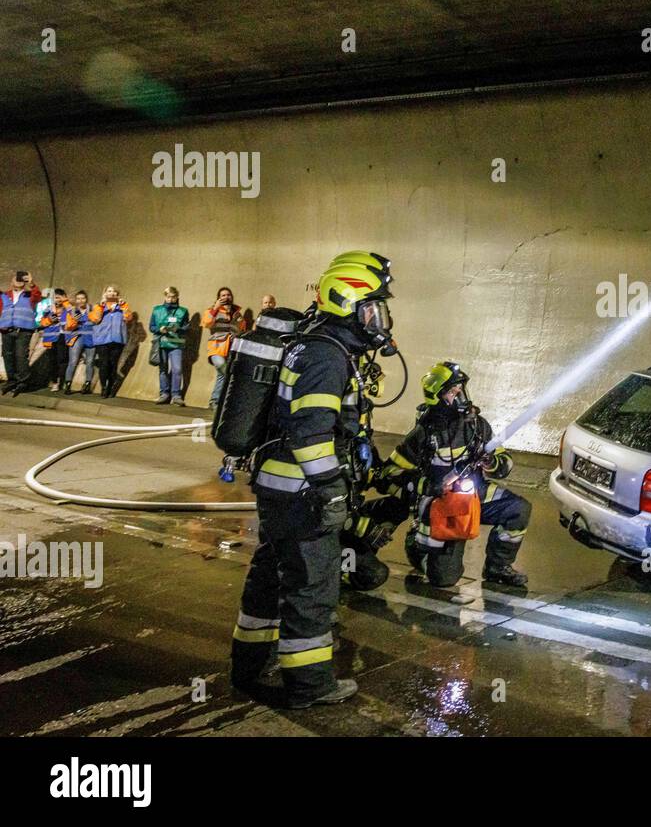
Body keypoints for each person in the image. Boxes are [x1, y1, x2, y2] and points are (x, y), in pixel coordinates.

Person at [230, 255, 395, 708]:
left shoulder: (314, 344)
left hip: (281, 490)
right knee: (311, 586)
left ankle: (247, 665)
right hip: (302, 493)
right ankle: (310, 686)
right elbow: (310, 433)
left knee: (269, 576)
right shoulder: (326, 355)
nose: (379, 319)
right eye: (373, 308)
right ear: (348, 301)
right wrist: (331, 490)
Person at [376, 361, 530, 588]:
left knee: (518, 509)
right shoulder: (423, 434)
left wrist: (490, 462)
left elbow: (505, 464)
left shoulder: (478, 426)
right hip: (443, 506)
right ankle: (418, 549)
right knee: (445, 579)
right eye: (452, 391)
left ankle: (498, 567)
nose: (459, 396)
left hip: (476, 495)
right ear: (437, 397)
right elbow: (387, 475)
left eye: (460, 389)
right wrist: (427, 487)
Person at [202, 287, 247, 409]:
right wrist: (215, 309)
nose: (226, 297)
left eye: (228, 295)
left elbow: (242, 329)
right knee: (223, 368)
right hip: (216, 348)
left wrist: (237, 334)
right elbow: (206, 323)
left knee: (222, 375)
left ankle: (215, 401)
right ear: (218, 298)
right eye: (223, 295)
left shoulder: (237, 313)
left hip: (231, 348)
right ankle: (221, 400)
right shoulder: (212, 310)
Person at [1, 270, 43, 396]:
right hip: (7, 330)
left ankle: (23, 381)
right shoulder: (4, 295)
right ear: (11, 281)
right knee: (7, 355)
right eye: (16, 278)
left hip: (23, 330)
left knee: (20, 356)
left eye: (22, 279)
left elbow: (38, 296)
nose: (19, 280)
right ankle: (12, 380)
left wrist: (32, 282)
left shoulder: (30, 295)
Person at [90, 285, 133, 398]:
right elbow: (95, 319)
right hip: (102, 339)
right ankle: (104, 388)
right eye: (109, 291)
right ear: (105, 293)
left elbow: (128, 318)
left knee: (113, 364)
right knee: (104, 364)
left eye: (114, 291)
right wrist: (101, 305)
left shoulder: (123, 306)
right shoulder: (98, 306)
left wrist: (123, 306)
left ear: (117, 294)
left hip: (117, 339)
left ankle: (110, 386)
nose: (112, 293)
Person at [149, 287, 190, 405]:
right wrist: (159, 329)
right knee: (163, 369)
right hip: (161, 343)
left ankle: (176, 395)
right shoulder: (157, 310)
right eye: (168, 296)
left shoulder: (183, 311)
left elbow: (187, 327)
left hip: (176, 343)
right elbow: (151, 327)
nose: (171, 299)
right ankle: (164, 394)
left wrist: (180, 328)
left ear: (177, 297)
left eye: (173, 297)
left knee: (177, 369)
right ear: (165, 297)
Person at [36, 288, 71, 392]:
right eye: (56, 297)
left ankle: (62, 380)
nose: (58, 300)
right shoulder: (48, 309)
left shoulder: (69, 308)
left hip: (63, 336)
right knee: (52, 361)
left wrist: (67, 304)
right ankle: (55, 382)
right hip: (50, 337)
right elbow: (42, 322)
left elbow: (76, 317)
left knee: (62, 359)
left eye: (60, 297)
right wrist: (50, 319)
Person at [62, 290, 95, 394]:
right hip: (77, 336)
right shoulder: (72, 311)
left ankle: (87, 385)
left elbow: (96, 320)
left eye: (83, 298)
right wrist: (75, 321)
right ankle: (67, 385)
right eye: (78, 299)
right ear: (75, 300)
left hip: (90, 337)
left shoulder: (92, 309)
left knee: (90, 362)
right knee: (73, 361)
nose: (81, 301)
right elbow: (67, 326)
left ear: (86, 299)